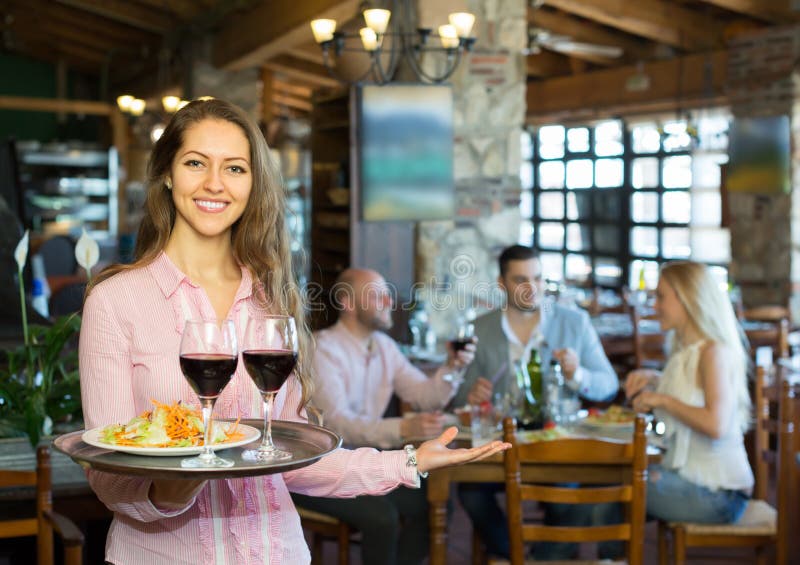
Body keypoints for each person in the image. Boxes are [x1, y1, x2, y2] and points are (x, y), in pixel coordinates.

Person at [78, 98, 508, 565]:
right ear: (166, 173)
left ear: (253, 184)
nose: (214, 184)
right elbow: (109, 475)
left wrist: (409, 461)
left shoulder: (272, 300)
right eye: (196, 163)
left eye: (236, 169)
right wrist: (175, 484)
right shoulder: (115, 300)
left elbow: (290, 455)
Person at [291, 267, 474, 565]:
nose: (390, 302)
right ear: (349, 304)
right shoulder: (323, 349)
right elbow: (339, 425)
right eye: (378, 296)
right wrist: (404, 427)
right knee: (383, 517)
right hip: (316, 469)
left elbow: (425, 396)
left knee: (433, 500)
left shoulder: (385, 347)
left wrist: (453, 368)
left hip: (364, 462)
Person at [454, 244, 619, 560]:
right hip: (500, 447)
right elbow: (460, 402)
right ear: (502, 284)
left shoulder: (575, 323)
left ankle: (547, 556)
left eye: (538, 278)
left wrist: (578, 374)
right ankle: (515, 555)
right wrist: (473, 397)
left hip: (557, 445)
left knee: (565, 496)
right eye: (521, 280)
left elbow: (609, 386)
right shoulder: (479, 329)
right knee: (471, 492)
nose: (533, 289)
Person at [625, 261, 753, 524]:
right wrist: (656, 380)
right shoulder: (688, 350)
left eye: (661, 296)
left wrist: (661, 399)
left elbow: (715, 424)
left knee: (621, 491)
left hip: (720, 494)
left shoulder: (713, 352)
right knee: (616, 490)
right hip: (692, 480)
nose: (654, 305)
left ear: (688, 297)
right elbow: (694, 391)